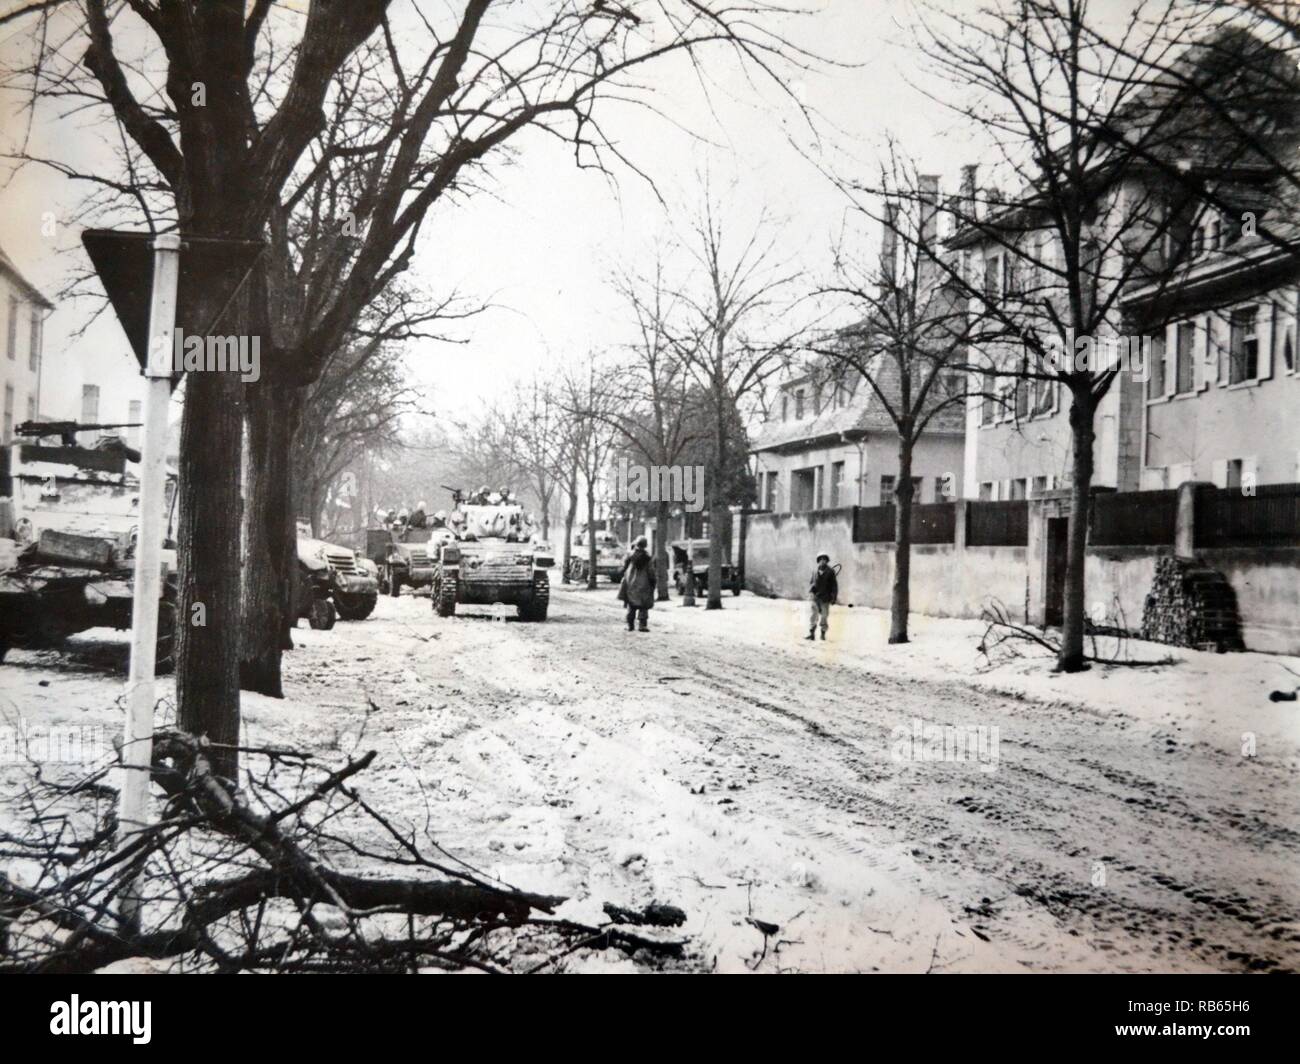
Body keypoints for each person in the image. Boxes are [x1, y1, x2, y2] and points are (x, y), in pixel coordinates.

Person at [618, 534, 657, 632]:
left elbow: (623, 568)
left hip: (630, 582)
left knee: (631, 605)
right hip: (644, 583)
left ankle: (630, 625)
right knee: (644, 605)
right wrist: (653, 582)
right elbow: (651, 571)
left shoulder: (629, 555)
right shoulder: (648, 558)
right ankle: (642, 625)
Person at [806, 552, 838, 641]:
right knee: (813, 615)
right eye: (820, 559)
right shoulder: (814, 571)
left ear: (827, 561)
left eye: (824, 559)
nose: (822, 561)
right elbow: (811, 582)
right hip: (815, 597)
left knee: (824, 616)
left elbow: (834, 586)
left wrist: (834, 597)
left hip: (825, 598)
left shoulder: (830, 572)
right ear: (818, 561)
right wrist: (811, 591)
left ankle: (823, 634)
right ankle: (811, 633)